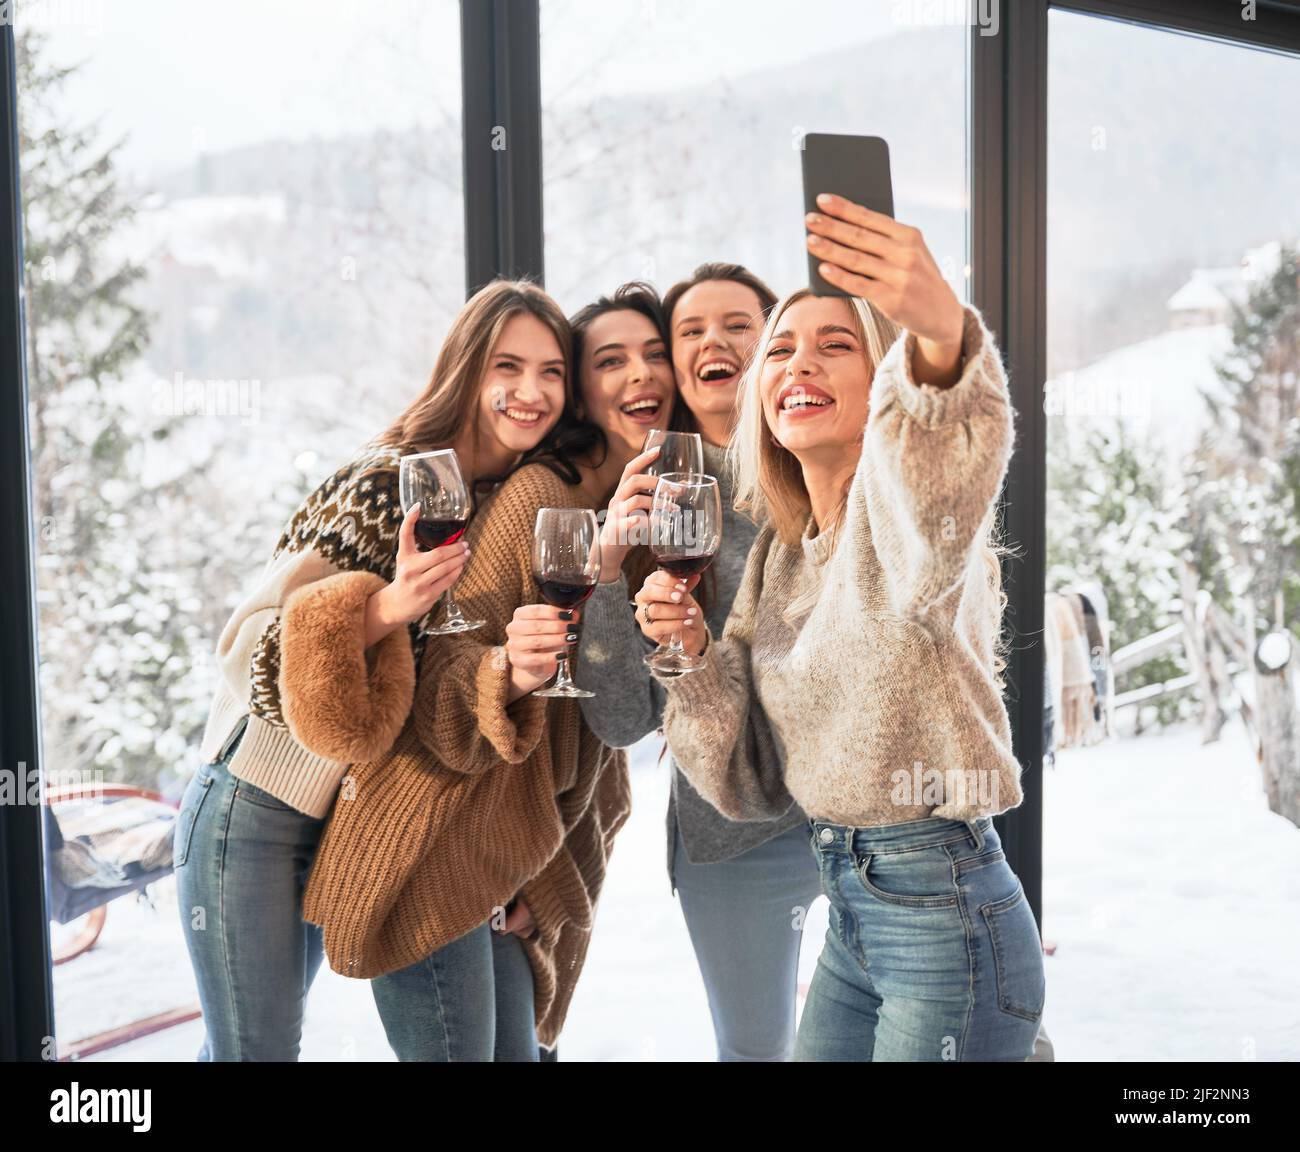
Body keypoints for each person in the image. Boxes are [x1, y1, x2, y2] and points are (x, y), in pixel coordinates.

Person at [633, 195, 1047, 1060]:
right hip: (852, 913)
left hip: (945, 915)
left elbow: (937, 452)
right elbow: (748, 786)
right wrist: (692, 657)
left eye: (835, 344)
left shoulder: (906, 522)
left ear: (885, 378)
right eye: (778, 349)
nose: (796, 363)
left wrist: (940, 336)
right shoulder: (781, 561)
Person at [174, 278, 569, 1061]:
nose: (531, 392)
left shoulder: (505, 501)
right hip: (255, 809)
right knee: (252, 1053)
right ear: (465, 369)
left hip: (341, 827)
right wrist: (384, 610)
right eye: (507, 367)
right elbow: (245, 644)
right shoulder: (389, 481)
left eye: (552, 371)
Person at [294, 282, 675, 1059]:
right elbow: (445, 673)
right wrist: (504, 672)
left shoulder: (641, 518)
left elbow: (609, 730)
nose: (640, 374)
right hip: (431, 845)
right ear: (584, 389)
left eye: (655, 354)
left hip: (503, 859)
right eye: (609, 360)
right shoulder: (543, 493)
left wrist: (544, 872)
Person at [575, 262, 827, 1061]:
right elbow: (620, 721)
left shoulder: (828, 461)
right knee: (756, 1051)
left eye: (738, 324)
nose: (714, 341)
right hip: (731, 834)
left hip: (859, 815)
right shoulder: (647, 497)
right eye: (692, 330)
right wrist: (609, 570)